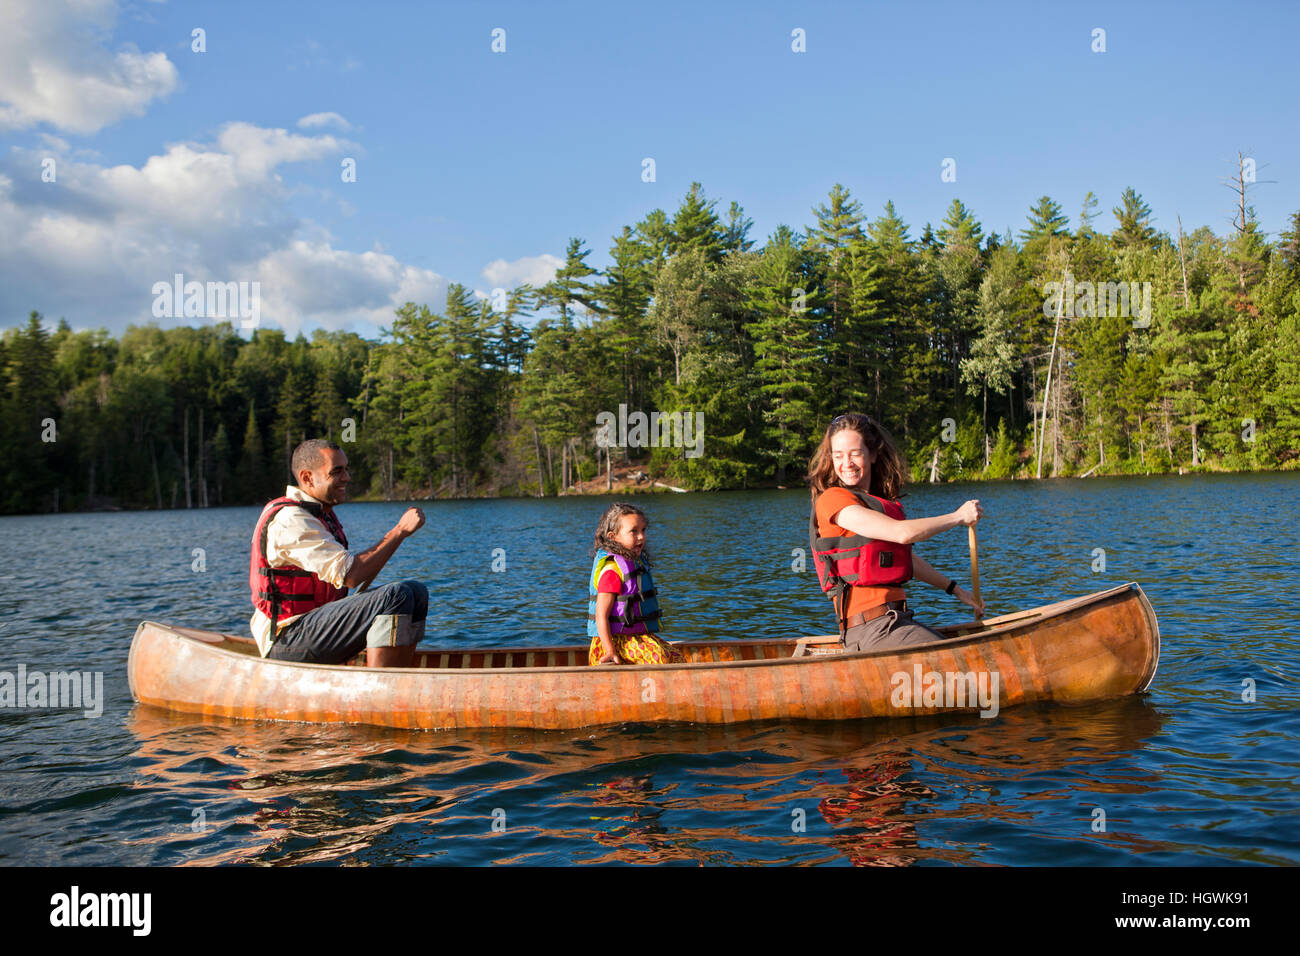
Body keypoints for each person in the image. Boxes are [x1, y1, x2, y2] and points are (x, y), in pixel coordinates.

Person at [807, 413, 984, 652]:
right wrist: (958, 517)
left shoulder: (873, 502)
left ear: (873, 454)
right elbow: (902, 534)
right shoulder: (832, 500)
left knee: (963, 650)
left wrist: (956, 590)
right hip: (872, 630)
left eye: (855, 453)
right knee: (964, 658)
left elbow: (905, 557)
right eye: (838, 455)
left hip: (895, 622)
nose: (846, 463)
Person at [249, 438, 429, 667]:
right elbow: (352, 574)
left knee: (416, 592)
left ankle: (400, 677)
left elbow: (353, 578)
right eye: (337, 471)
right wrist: (400, 530)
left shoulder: (318, 514)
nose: (347, 477)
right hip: (286, 642)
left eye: (346, 469)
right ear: (307, 478)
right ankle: (380, 688)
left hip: (315, 631)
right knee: (396, 595)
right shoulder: (290, 520)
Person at [586, 503, 685, 666]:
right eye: (634, 531)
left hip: (635, 637)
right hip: (614, 641)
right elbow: (600, 616)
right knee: (660, 660)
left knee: (675, 656)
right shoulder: (612, 571)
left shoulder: (634, 562)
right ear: (613, 537)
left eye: (643, 530)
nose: (641, 537)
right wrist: (610, 650)